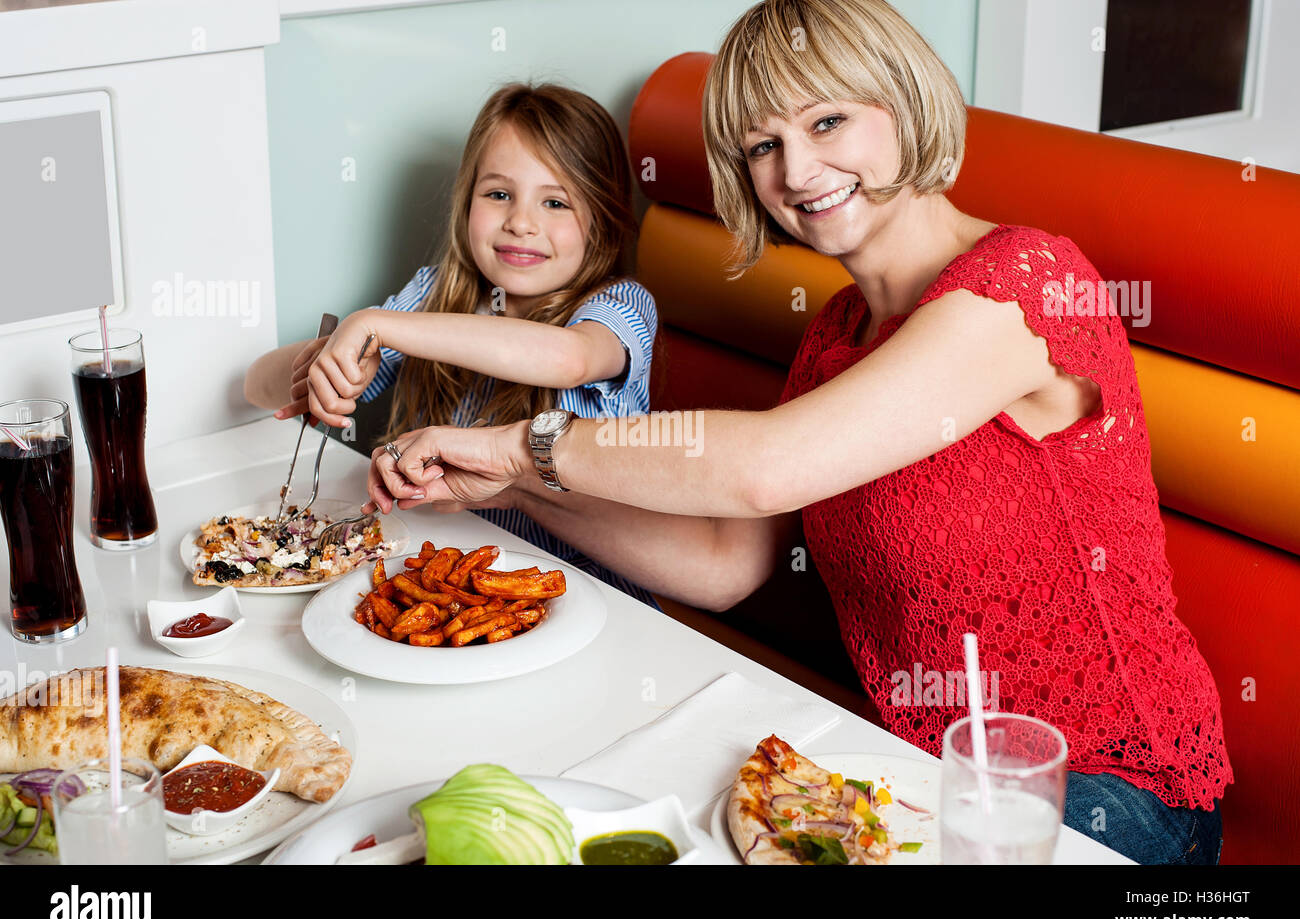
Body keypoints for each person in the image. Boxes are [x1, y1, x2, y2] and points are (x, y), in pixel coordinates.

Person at [364, 0, 1230, 864]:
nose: (798, 167)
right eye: (764, 145)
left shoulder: (1023, 284)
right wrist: (518, 488)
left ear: (903, 101)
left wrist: (525, 445)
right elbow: (720, 566)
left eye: (828, 120)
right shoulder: (836, 334)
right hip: (911, 776)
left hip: (1112, 793)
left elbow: (765, 469)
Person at [244, 83, 659, 604]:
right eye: (499, 194)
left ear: (602, 218)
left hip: (592, 596)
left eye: (555, 202)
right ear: (467, 201)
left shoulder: (621, 305)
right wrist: (322, 369)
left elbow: (565, 357)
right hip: (461, 586)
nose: (521, 222)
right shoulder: (438, 293)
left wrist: (377, 323)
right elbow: (256, 383)